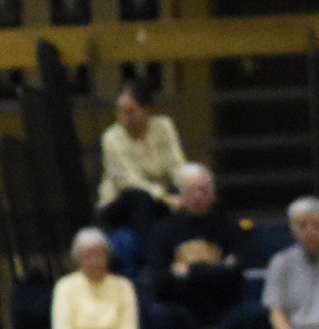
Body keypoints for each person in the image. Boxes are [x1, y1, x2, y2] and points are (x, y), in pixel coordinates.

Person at [142, 164, 265, 329]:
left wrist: (190, 271)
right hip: (182, 309)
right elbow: (161, 281)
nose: (198, 196)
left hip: (224, 308)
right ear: (181, 195)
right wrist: (219, 268)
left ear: (213, 193)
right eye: (191, 191)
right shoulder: (163, 230)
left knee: (254, 313)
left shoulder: (229, 225)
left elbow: (238, 270)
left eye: (204, 190)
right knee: (158, 313)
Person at [100, 75, 189, 268]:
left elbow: (176, 165)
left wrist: (189, 189)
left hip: (157, 201)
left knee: (196, 192)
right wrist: (166, 197)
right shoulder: (111, 137)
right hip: (120, 203)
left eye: (130, 112)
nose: (123, 118)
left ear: (147, 110)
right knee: (140, 197)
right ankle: (154, 260)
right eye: (120, 112)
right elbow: (129, 181)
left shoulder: (164, 126)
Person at [55, 228, 139, 329]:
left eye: (99, 255)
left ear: (108, 257)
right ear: (78, 260)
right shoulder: (65, 286)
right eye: (87, 256)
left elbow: (129, 325)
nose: (94, 261)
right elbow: (61, 325)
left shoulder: (124, 286)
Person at [264, 196, 319, 329]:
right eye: (302, 225)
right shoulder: (280, 262)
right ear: (293, 229)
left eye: (316, 225)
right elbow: (276, 313)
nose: (310, 231)